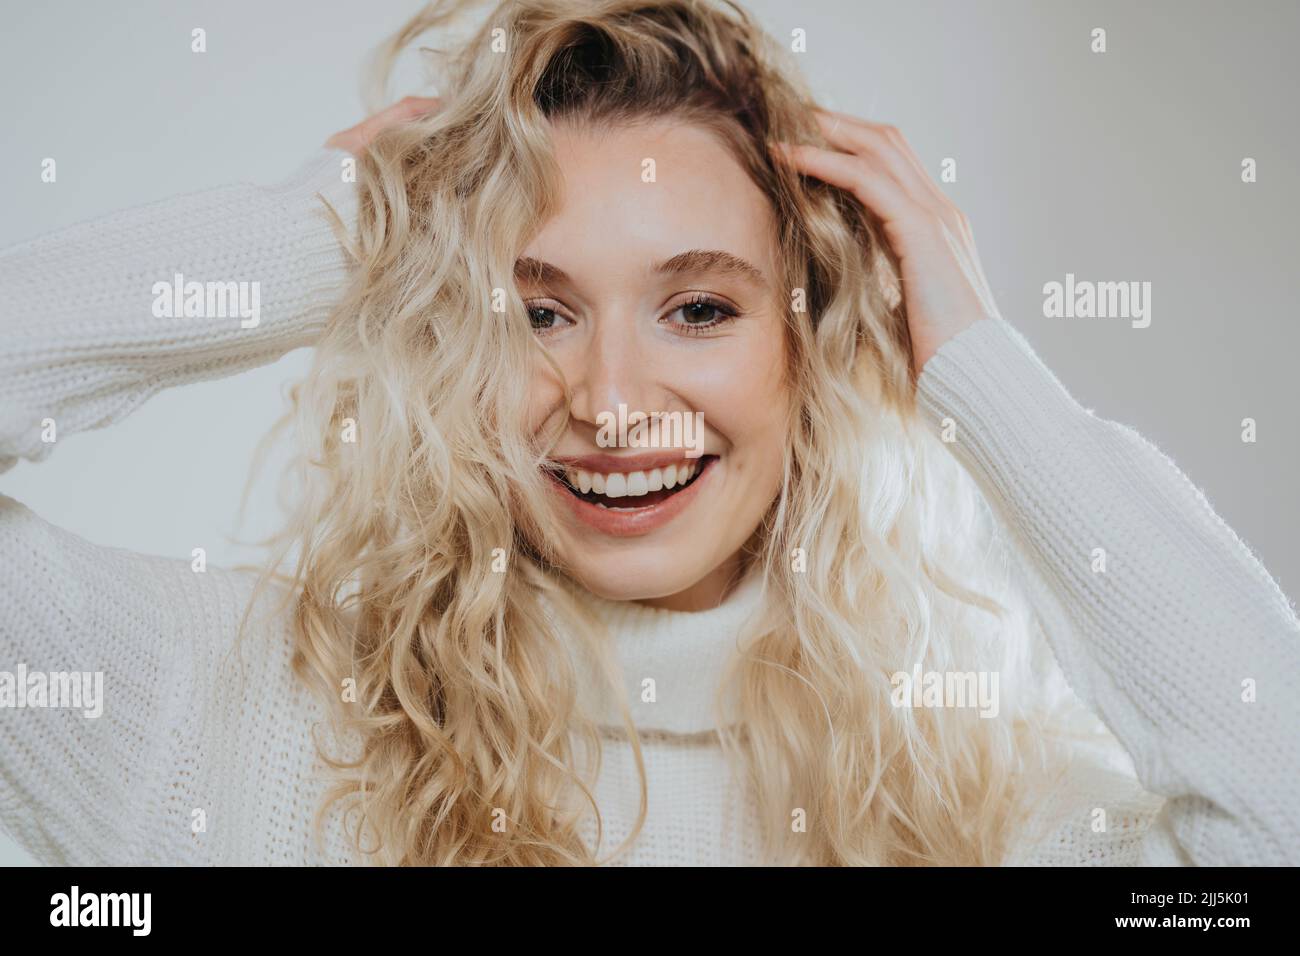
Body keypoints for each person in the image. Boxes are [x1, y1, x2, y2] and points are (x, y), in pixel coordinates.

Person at [1, 0, 1296, 866]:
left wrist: (980, 368)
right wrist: (313, 237)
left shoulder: (979, 794)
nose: (611, 401)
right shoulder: (221, 704)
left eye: (696, 307)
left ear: (813, 342)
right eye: (535, 313)